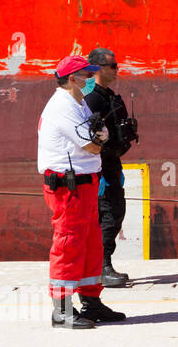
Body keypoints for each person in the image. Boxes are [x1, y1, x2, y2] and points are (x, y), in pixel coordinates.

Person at [38, 55, 125, 327]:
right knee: (68, 242)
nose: (91, 79)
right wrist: (100, 138)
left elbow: (101, 135)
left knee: (89, 243)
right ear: (73, 78)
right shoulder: (64, 106)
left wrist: (101, 137)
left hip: (84, 183)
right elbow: (93, 144)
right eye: (87, 75)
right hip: (68, 186)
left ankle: (91, 302)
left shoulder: (78, 103)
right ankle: (62, 310)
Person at [83, 47, 138, 288]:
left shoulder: (109, 96)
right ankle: (102, 267)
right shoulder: (91, 98)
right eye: (112, 66)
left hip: (112, 162)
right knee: (109, 213)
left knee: (115, 212)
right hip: (100, 165)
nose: (117, 69)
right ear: (97, 69)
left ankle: (102, 265)